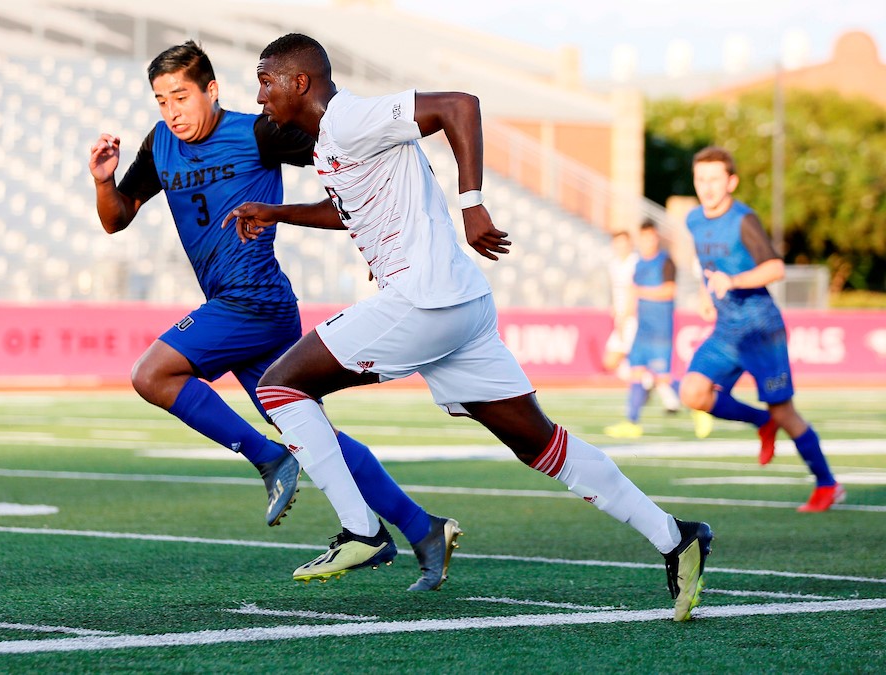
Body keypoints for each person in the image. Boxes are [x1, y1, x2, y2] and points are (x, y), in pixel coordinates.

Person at [226, 33, 711, 621]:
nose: (259, 95)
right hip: (459, 305)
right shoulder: (334, 139)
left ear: (299, 81)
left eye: (265, 80)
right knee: (542, 444)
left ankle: (361, 528)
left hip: (423, 298)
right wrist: (277, 212)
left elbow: (461, 105)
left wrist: (472, 203)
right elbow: (350, 208)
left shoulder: (351, 116)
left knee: (280, 387)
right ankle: (674, 536)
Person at [87, 41, 462, 591]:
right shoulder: (160, 143)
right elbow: (117, 218)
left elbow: (343, 155)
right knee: (314, 434)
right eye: (161, 100)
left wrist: (381, 234)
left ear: (212, 91)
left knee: (152, 374)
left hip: (252, 301)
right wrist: (103, 180)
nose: (172, 110)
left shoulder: (257, 133)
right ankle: (422, 527)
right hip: (248, 308)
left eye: (182, 96)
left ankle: (269, 460)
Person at [679, 146, 842, 513]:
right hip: (726, 329)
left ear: (731, 182)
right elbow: (705, 263)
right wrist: (708, 294)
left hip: (760, 328)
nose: (706, 186)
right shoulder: (693, 219)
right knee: (693, 393)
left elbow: (774, 268)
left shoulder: (743, 219)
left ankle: (828, 484)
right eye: (700, 179)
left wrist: (732, 280)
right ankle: (761, 422)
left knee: (785, 410)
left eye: (714, 179)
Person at [605, 221, 681, 439]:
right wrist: (623, 318)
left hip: (660, 329)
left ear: (656, 238)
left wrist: (640, 291)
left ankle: (697, 401)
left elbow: (669, 291)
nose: (648, 242)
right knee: (636, 372)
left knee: (663, 378)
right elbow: (630, 295)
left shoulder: (666, 262)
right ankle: (632, 422)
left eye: (651, 237)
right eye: (644, 238)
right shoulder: (637, 265)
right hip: (642, 328)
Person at [601, 230, 638, 377]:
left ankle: (650, 381)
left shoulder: (635, 263)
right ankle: (645, 380)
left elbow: (634, 291)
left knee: (628, 359)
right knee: (611, 362)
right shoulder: (614, 264)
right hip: (621, 315)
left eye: (624, 242)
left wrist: (626, 316)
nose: (621, 246)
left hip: (633, 316)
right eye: (618, 243)